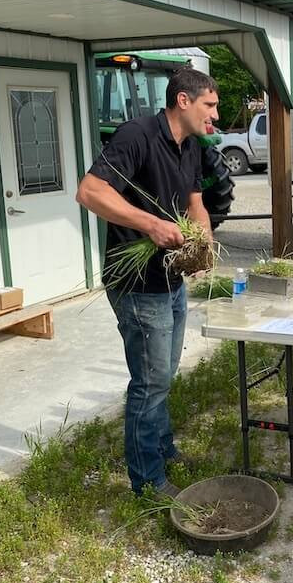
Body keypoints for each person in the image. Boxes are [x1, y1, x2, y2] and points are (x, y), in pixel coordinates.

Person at [76, 66, 218, 498]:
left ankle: (161, 447)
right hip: (135, 282)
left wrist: (205, 245)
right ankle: (148, 482)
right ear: (183, 101)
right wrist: (151, 225)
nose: (214, 114)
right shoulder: (135, 135)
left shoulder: (190, 146)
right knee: (149, 380)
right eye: (209, 105)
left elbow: (195, 204)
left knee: (164, 375)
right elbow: (89, 191)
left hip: (170, 279)